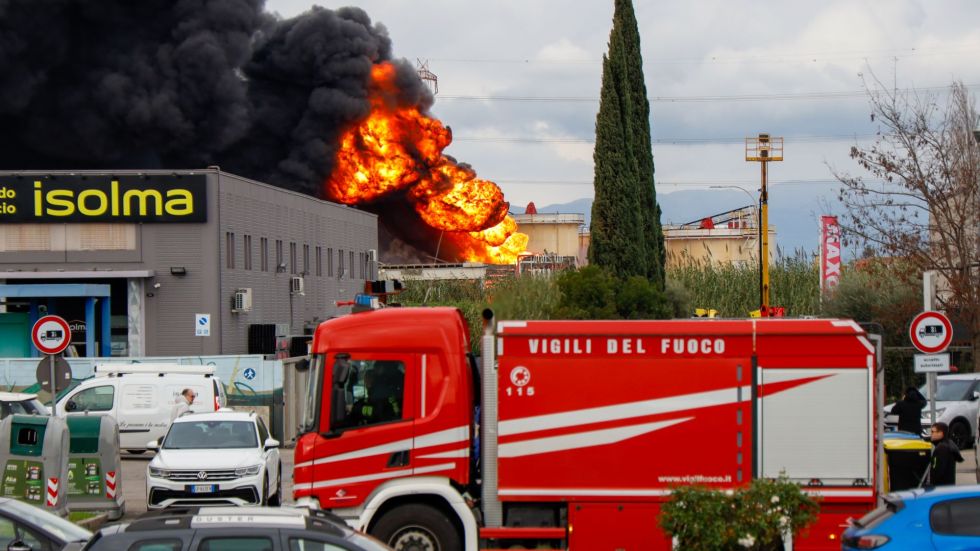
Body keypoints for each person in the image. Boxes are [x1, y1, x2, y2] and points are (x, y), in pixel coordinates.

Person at [928, 421, 963, 486]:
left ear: (941, 433)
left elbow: (937, 471)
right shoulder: (949, 443)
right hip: (948, 486)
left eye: (933, 432)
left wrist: (931, 484)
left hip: (941, 488)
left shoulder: (941, 448)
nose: (931, 434)